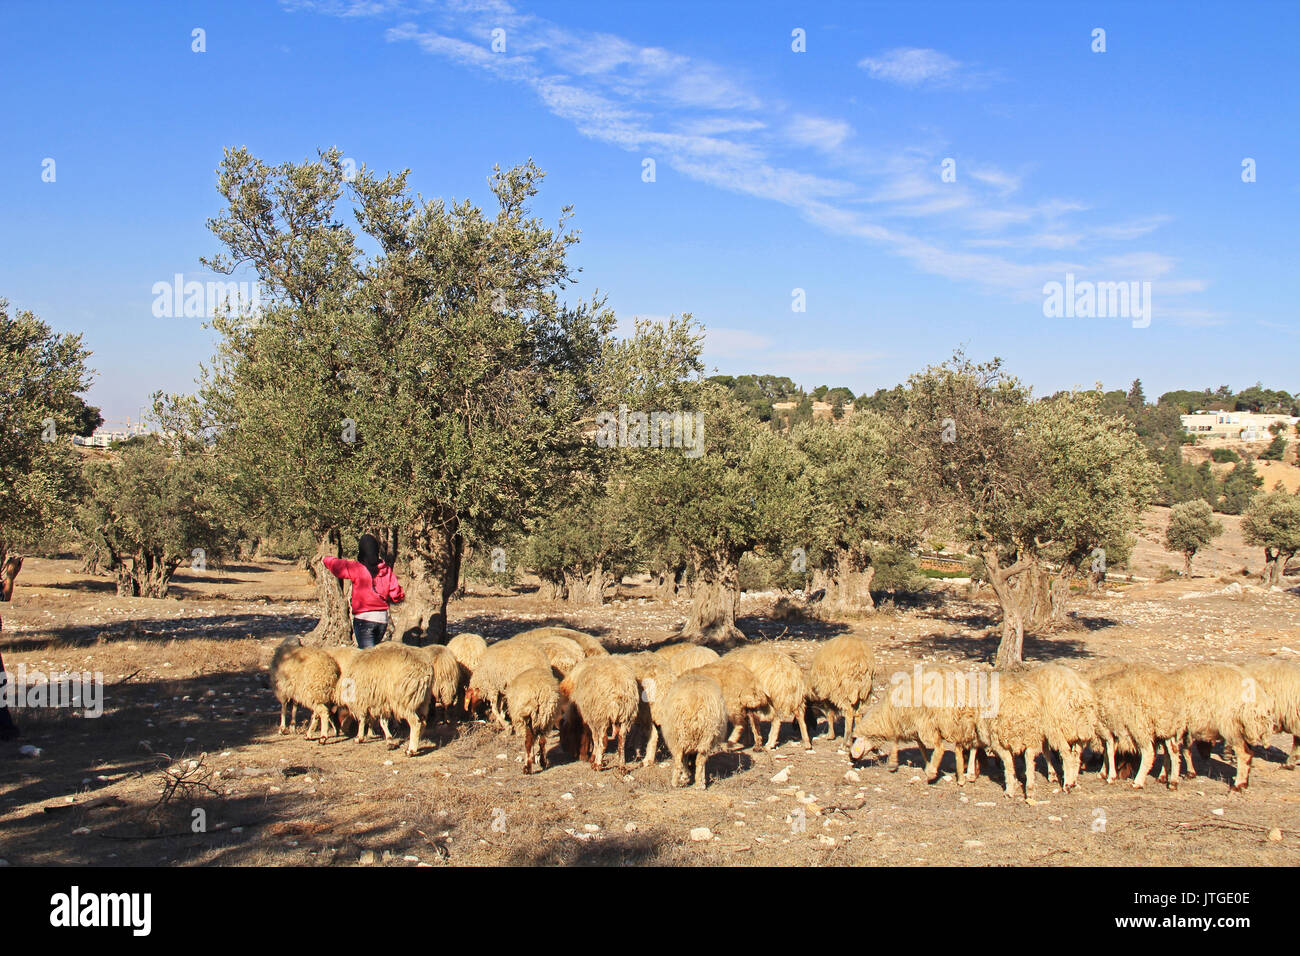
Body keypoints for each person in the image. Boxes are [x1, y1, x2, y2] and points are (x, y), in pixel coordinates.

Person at [322, 534, 405, 648]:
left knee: (367, 659)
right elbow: (396, 594)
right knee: (373, 654)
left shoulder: (357, 568)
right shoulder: (386, 570)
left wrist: (325, 559)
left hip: (364, 619)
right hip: (382, 620)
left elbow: (338, 566)